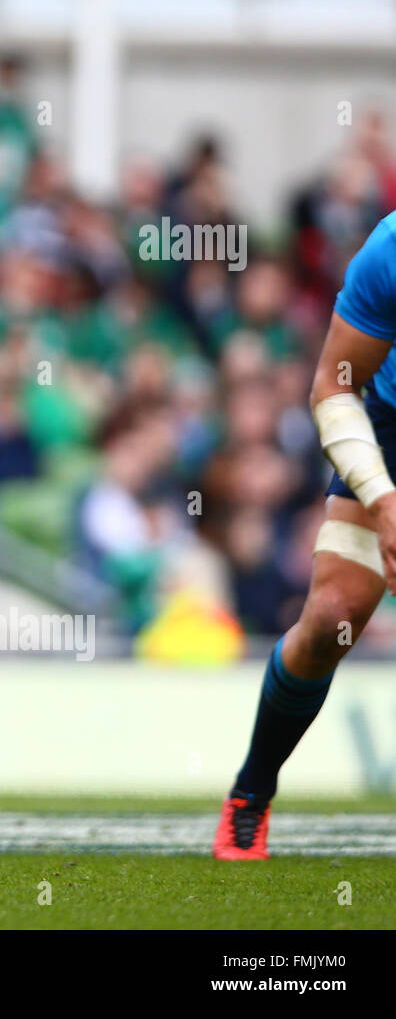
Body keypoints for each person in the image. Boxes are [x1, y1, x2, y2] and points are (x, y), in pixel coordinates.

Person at [213, 209, 396, 857]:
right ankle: (253, 789)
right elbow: (333, 386)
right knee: (331, 617)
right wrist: (383, 498)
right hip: (390, 433)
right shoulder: (390, 249)